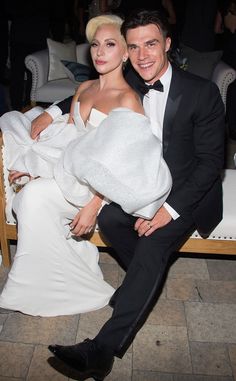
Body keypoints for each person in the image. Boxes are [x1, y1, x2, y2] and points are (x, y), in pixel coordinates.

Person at [48, 9, 225, 380]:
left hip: (186, 191)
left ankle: (103, 349)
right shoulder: (128, 80)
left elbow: (210, 165)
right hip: (138, 183)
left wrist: (170, 210)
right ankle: (140, 283)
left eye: (151, 44)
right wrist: (50, 112)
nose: (143, 55)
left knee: (153, 243)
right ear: (127, 51)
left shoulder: (201, 92)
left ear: (168, 45)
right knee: (111, 219)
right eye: (134, 46)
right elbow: (85, 95)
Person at [0, 14, 171, 317]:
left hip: (98, 189)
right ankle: (59, 275)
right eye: (95, 45)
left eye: (110, 44)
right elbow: (66, 142)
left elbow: (124, 166)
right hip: (70, 173)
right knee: (30, 193)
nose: (100, 52)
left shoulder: (129, 101)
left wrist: (94, 204)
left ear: (125, 53)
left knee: (32, 198)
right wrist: (35, 166)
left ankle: (62, 282)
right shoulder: (86, 88)